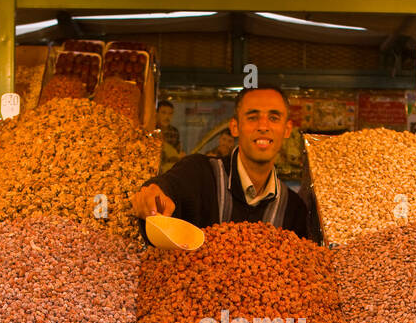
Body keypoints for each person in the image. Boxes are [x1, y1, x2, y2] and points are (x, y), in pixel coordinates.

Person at [132, 86, 320, 244]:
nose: (263, 126)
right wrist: (154, 195)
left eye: (274, 118)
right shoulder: (200, 174)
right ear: (234, 127)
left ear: (287, 129)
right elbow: (169, 186)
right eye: (253, 117)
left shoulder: (294, 209)